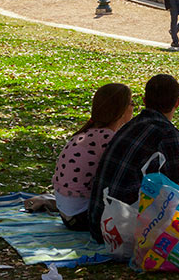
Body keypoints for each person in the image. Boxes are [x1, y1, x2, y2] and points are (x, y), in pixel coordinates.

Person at [88, 73, 179, 242]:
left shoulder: (130, 126)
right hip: (121, 231)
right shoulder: (167, 133)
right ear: (177, 103)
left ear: (144, 100)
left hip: (97, 223)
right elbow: (178, 183)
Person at [52, 83, 133, 230]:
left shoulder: (87, 133)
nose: (134, 107)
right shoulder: (107, 139)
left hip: (67, 214)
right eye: (131, 103)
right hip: (82, 216)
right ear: (120, 110)